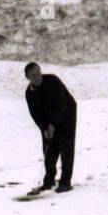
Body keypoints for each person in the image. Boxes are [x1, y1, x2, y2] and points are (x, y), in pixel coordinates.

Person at [24, 63, 77, 192]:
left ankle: (65, 182)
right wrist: (44, 129)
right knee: (49, 149)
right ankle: (49, 181)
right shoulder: (29, 93)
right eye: (33, 75)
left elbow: (61, 103)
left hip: (67, 113)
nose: (37, 77)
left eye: (38, 73)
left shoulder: (52, 81)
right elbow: (35, 114)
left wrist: (53, 124)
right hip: (48, 120)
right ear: (28, 77)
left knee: (66, 147)